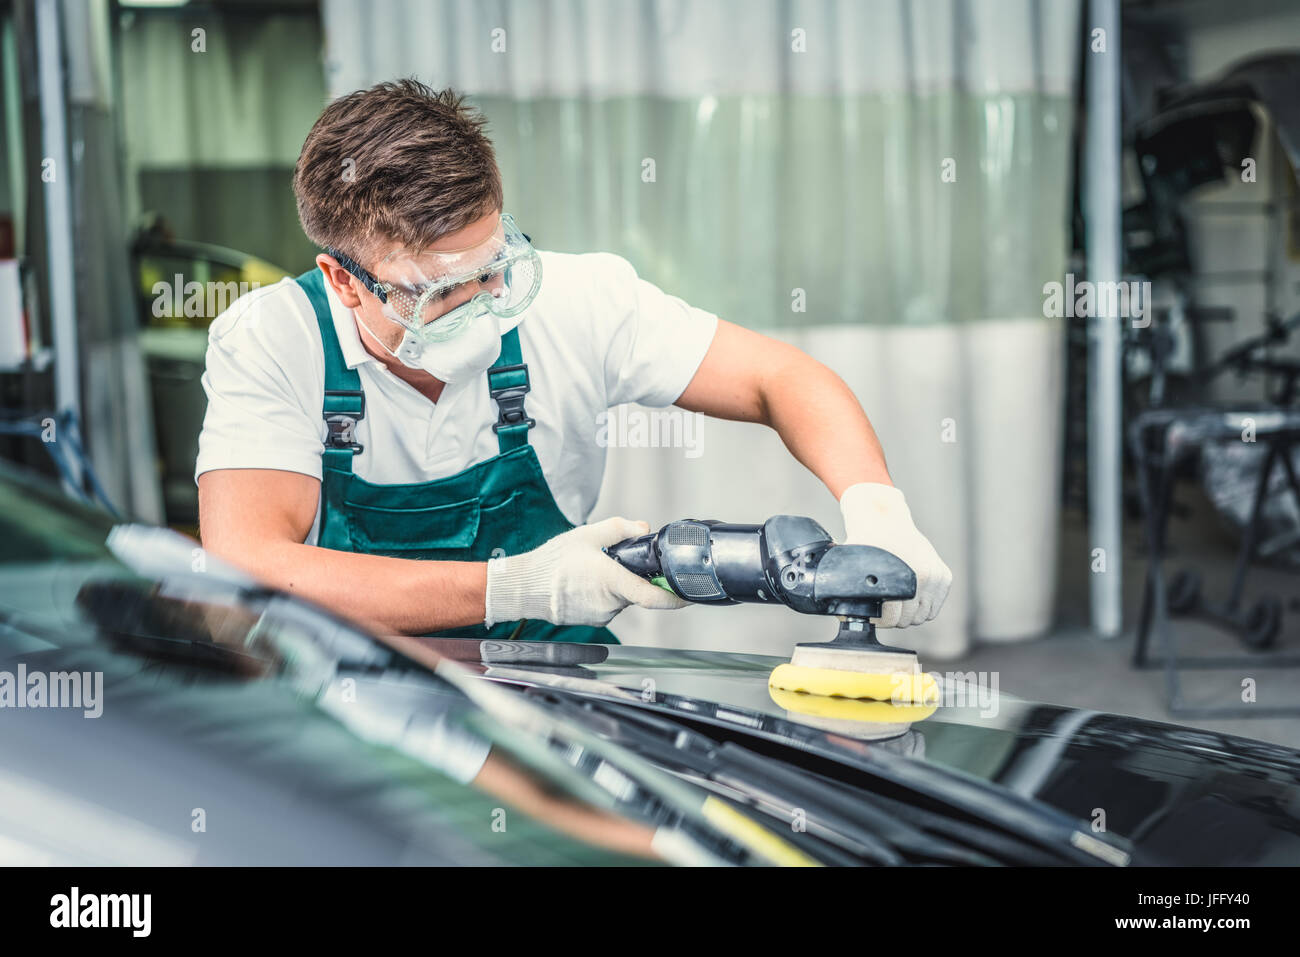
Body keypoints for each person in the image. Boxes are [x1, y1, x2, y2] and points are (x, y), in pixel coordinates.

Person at [196, 79, 951, 643]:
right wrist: (523, 584)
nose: (486, 301)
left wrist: (877, 505)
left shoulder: (581, 300)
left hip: (553, 676)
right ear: (342, 280)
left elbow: (779, 379)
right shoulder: (269, 338)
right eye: (440, 290)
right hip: (354, 682)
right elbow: (254, 564)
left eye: (494, 266)